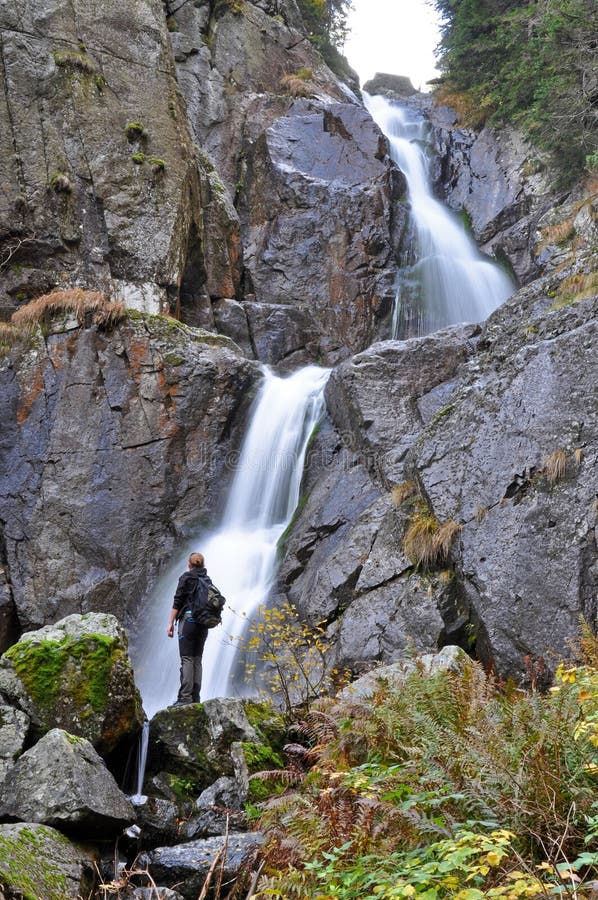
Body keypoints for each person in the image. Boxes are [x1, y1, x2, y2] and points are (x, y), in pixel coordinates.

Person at [167, 551, 215, 706]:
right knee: (197, 660)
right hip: (203, 623)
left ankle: (185, 698)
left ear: (189, 564)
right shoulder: (207, 580)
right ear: (203, 564)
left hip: (188, 622)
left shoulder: (186, 577)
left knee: (187, 658)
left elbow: (177, 601)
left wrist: (170, 623)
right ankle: (196, 697)